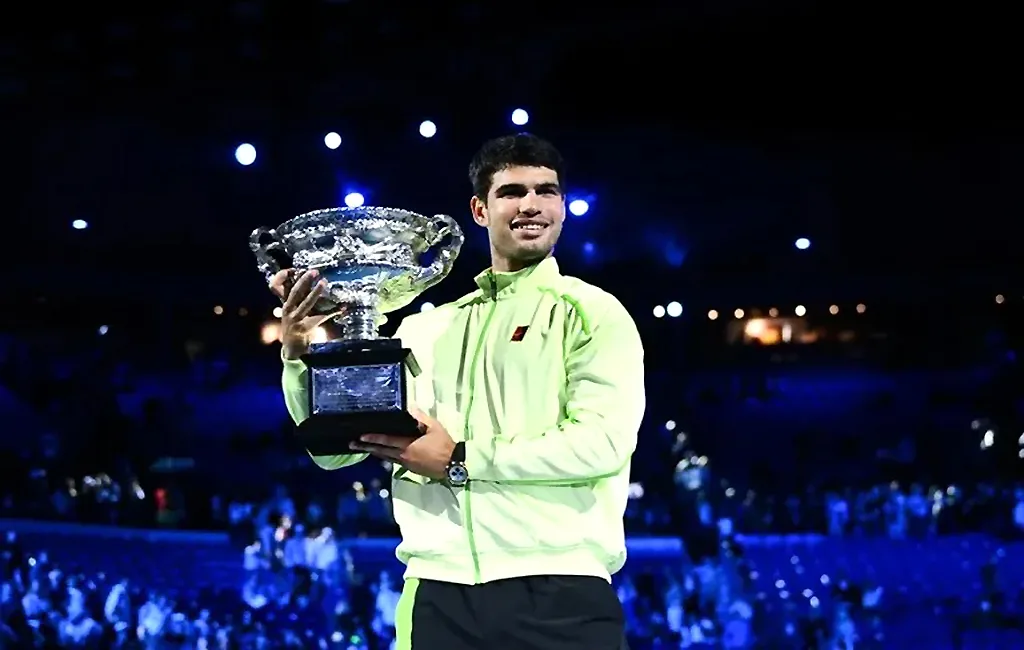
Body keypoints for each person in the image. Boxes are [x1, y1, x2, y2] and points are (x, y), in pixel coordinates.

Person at [270, 133, 645, 650]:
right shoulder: (425, 330)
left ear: (562, 206)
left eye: (546, 191)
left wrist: (460, 459)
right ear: (480, 209)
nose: (531, 204)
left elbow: (602, 443)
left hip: (558, 589)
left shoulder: (592, 312)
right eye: (512, 191)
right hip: (435, 595)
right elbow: (334, 454)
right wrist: (298, 354)